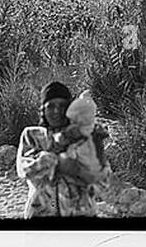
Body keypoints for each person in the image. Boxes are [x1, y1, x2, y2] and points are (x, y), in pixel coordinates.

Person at [16, 81, 110, 219]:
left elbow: (103, 182)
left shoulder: (85, 138)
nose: (56, 111)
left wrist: (82, 170)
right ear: (43, 109)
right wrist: (59, 161)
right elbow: (26, 170)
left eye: (62, 106)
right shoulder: (32, 135)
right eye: (51, 106)